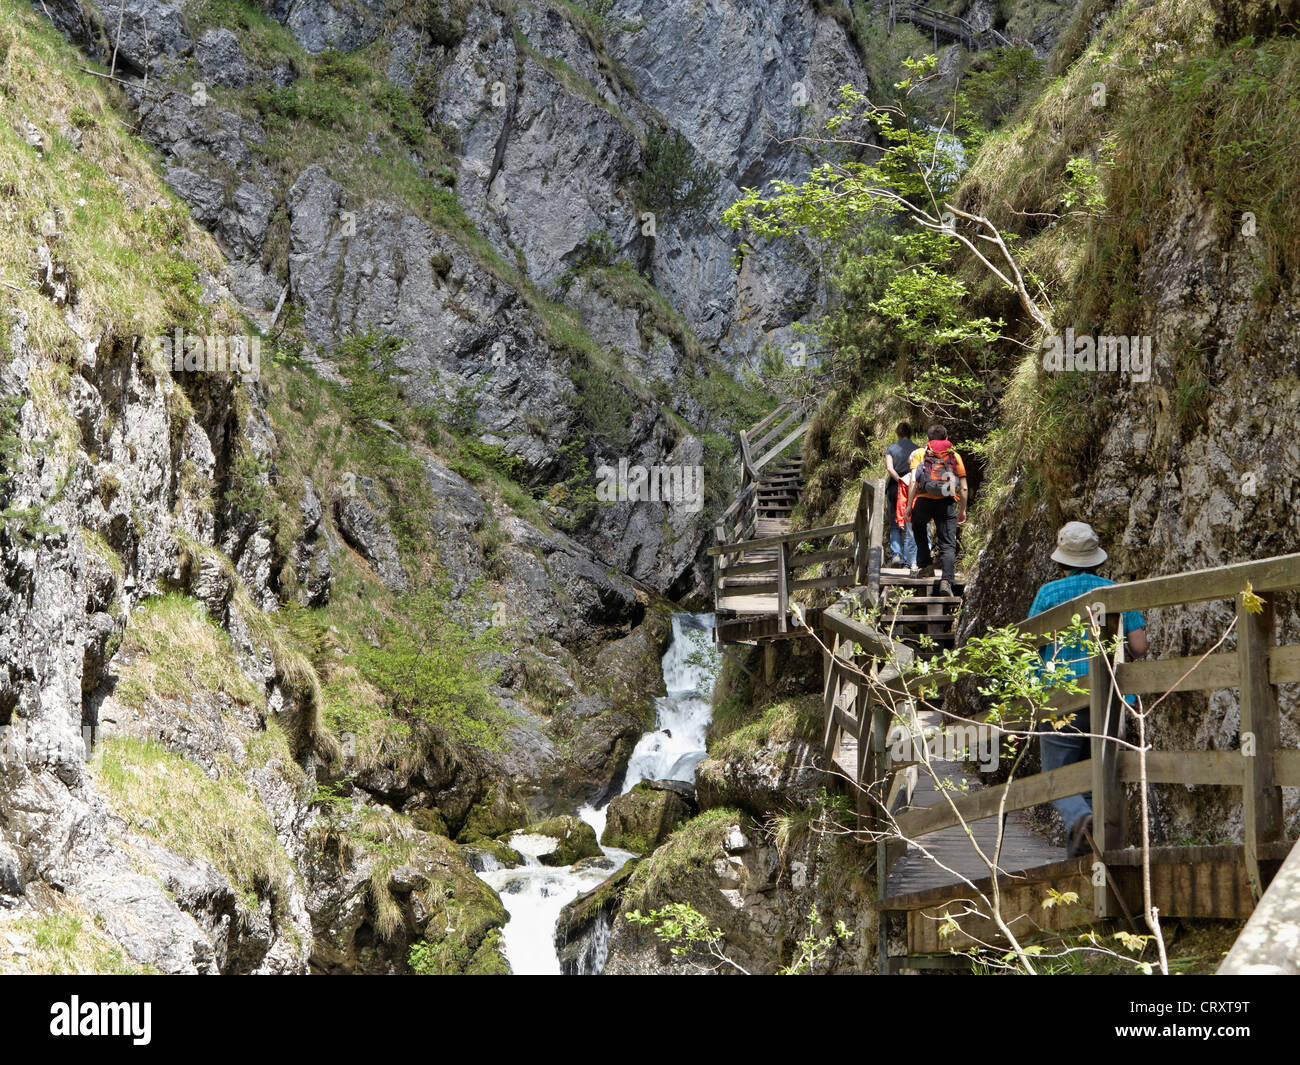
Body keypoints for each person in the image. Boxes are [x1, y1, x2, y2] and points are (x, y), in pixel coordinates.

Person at [1027, 521, 1149, 858]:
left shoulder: (1049, 594)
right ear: (1096, 558)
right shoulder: (1113, 590)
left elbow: (1027, 644)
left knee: (1057, 777)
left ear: (1062, 560)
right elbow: (1139, 645)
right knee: (1099, 779)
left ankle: (1081, 820)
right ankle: (1089, 861)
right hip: (1110, 698)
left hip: (1061, 698)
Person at [904, 424, 967, 596]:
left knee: (918, 527)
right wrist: (963, 509)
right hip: (946, 502)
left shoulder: (920, 453)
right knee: (948, 543)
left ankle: (925, 565)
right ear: (946, 439)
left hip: (924, 500)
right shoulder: (954, 455)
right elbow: (964, 487)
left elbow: (912, 482)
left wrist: (909, 506)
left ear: (928, 439)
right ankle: (946, 581)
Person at [883, 422, 918, 568]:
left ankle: (896, 554)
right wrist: (908, 482)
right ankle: (911, 559)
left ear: (898, 433)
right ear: (911, 433)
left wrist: (900, 481)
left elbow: (890, 468)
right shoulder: (917, 449)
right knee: (912, 522)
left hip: (895, 487)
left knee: (895, 522)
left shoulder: (890, 449)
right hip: (913, 486)